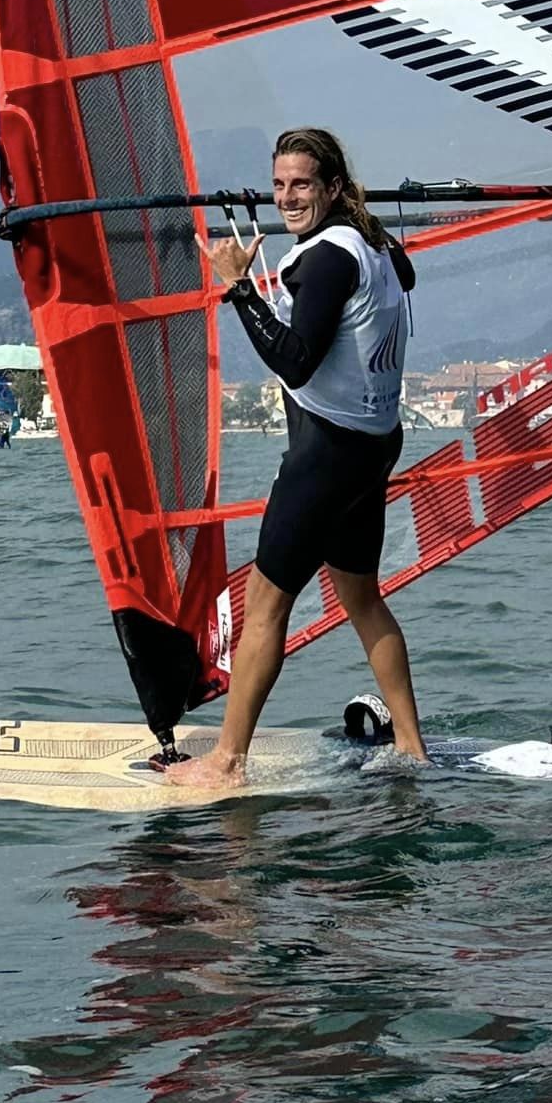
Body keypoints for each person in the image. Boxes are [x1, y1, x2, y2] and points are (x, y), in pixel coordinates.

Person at [166, 127, 428, 788]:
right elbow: (404, 275)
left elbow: (295, 358)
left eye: (302, 184)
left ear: (333, 187)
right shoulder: (374, 244)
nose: (287, 197)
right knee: (361, 597)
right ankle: (411, 745)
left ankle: (227, 760)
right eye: (279, 184)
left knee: (264, 603)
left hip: (328, 455)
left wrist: (241, 289)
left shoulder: (329, 260)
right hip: (373, 446)